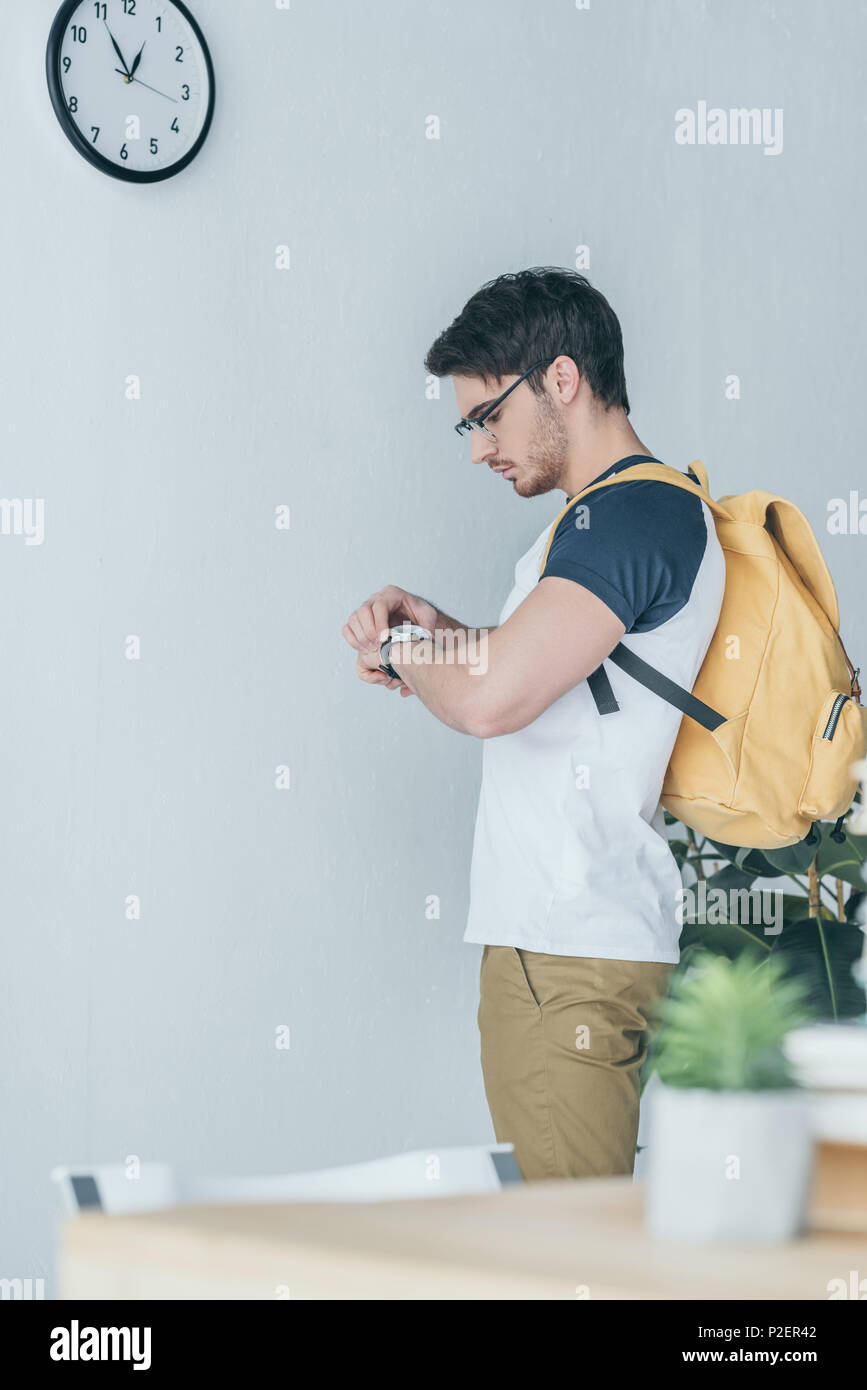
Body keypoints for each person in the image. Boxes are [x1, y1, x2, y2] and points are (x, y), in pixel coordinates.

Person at [341, 267, 726, 1180]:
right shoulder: (609, 519)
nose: (477, 449)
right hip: (558, 945)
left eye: (485, 417)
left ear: (561, 379)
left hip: (566, 950)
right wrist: (444, 633)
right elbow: (547, 673)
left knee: (570, 1265)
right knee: (563, 1243)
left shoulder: (636, 515)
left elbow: (490, 700)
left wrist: (403, 650)